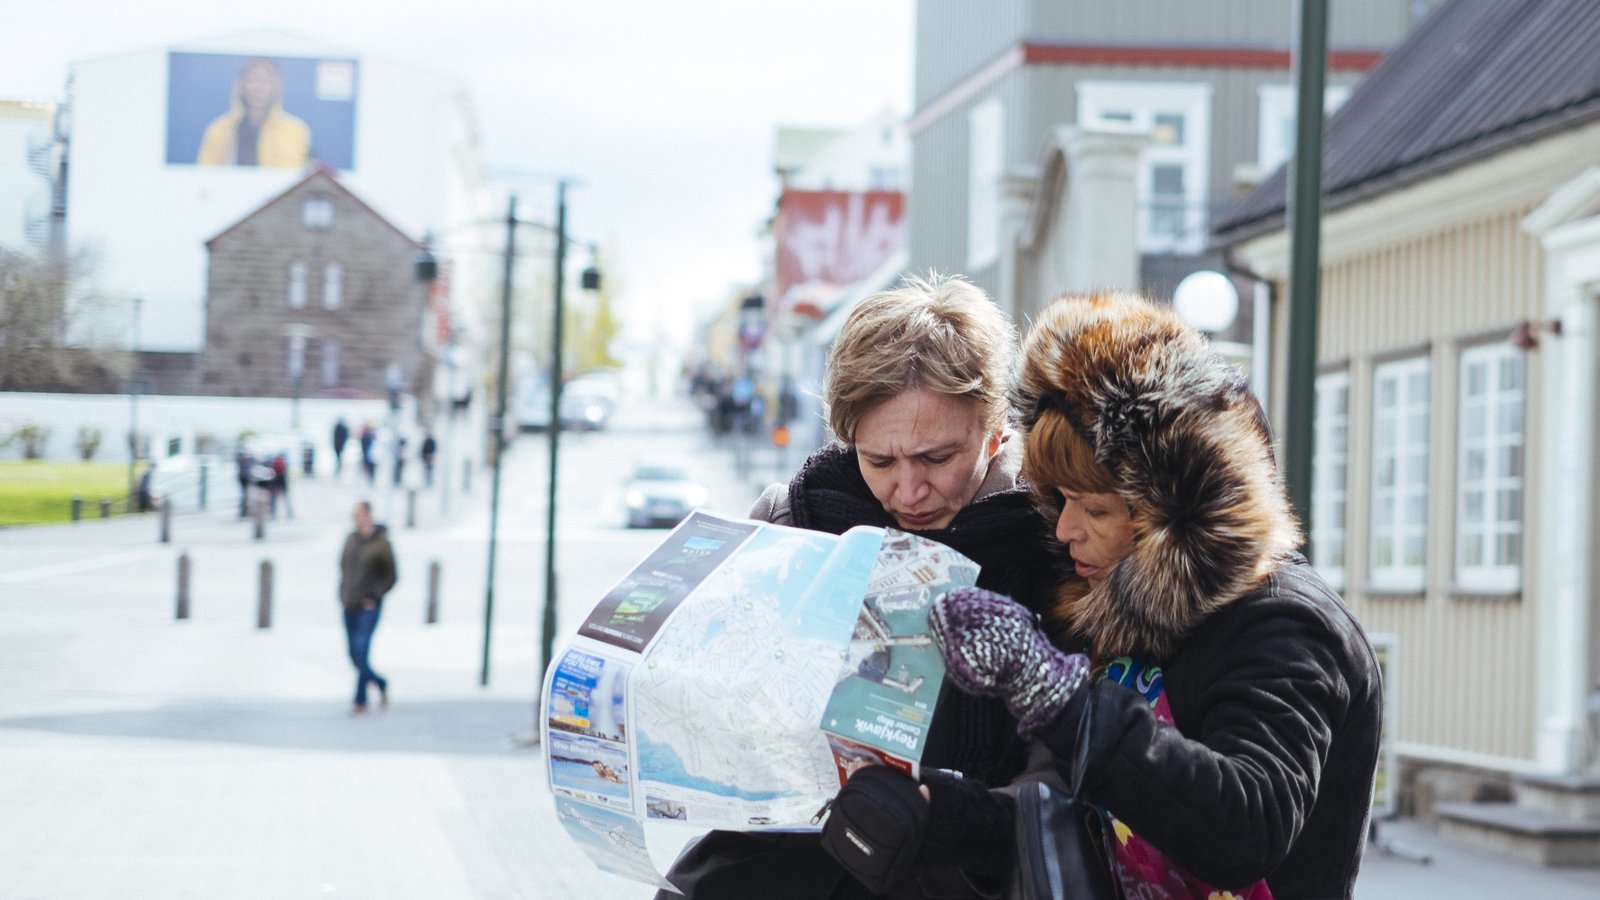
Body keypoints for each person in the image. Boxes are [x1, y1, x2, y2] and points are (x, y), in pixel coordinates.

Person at [915, 292, 1383, 898]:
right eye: (1058, 500)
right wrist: (938, 813)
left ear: (1172, 511)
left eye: (1095, 508)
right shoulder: (1113, 606)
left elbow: (1244, 828)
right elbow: (1081, 819)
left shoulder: (1290, 625)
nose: (1064, 528)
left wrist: (1061, 700)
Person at [657, 273, 1063, 900]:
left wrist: (954, 816)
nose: (908, 490)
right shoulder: (798, 519)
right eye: (880, 461)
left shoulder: (1055, 547)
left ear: (996, 430)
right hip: (781, 863)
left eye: (937, 458)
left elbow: (1065, 771)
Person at [196, 57, 311, 168]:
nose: (258, 87)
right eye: (252, 80)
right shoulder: (220, 129)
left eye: (265, 81)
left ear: (276, 87)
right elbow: (205, 172)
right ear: (241, 85)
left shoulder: (295, 131)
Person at [338, 501, 396, 716]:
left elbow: (391, 575)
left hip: (369, 606)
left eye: (359, 513)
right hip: (349, 602)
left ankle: (359, 699)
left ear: (368, 515)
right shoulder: (351, 539)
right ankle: (380, 682)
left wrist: (374, 595)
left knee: (362, 651)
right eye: (354, 514)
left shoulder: (381, 543)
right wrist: (343, 593)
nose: (356, 517)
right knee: (353, 653)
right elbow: (342, 567)